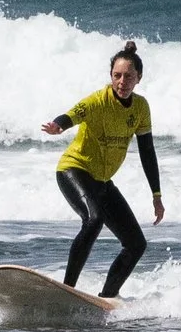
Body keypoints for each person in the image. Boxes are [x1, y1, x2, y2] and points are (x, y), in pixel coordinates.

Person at [41, 40, 164, 299]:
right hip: (74, 170)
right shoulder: (98, 101)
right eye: (117, 76)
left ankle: (107, 298)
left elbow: (147, 151)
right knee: (93, 219)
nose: (122, 81)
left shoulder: (141, 108)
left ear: (138, 78)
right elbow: (71, 115)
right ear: (110, 77)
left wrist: (156, 195)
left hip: (103, 181)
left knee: (136, 244)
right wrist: (58, 126)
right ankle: (68, 290)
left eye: (128, 76)